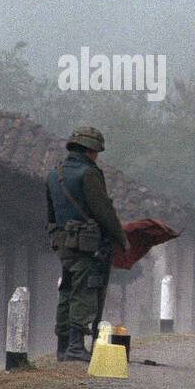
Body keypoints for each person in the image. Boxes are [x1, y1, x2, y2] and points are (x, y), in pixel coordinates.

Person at [45, 126, 128, 362]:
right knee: (84, 291)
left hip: (63, 244)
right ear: (91, 151)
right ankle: (74, 346)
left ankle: (63, 346)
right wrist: (121, 237)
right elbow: (103, 211)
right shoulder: (89, 174)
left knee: (67, 291)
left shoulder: (54, 174)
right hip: (85, 245)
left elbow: (51, 215)